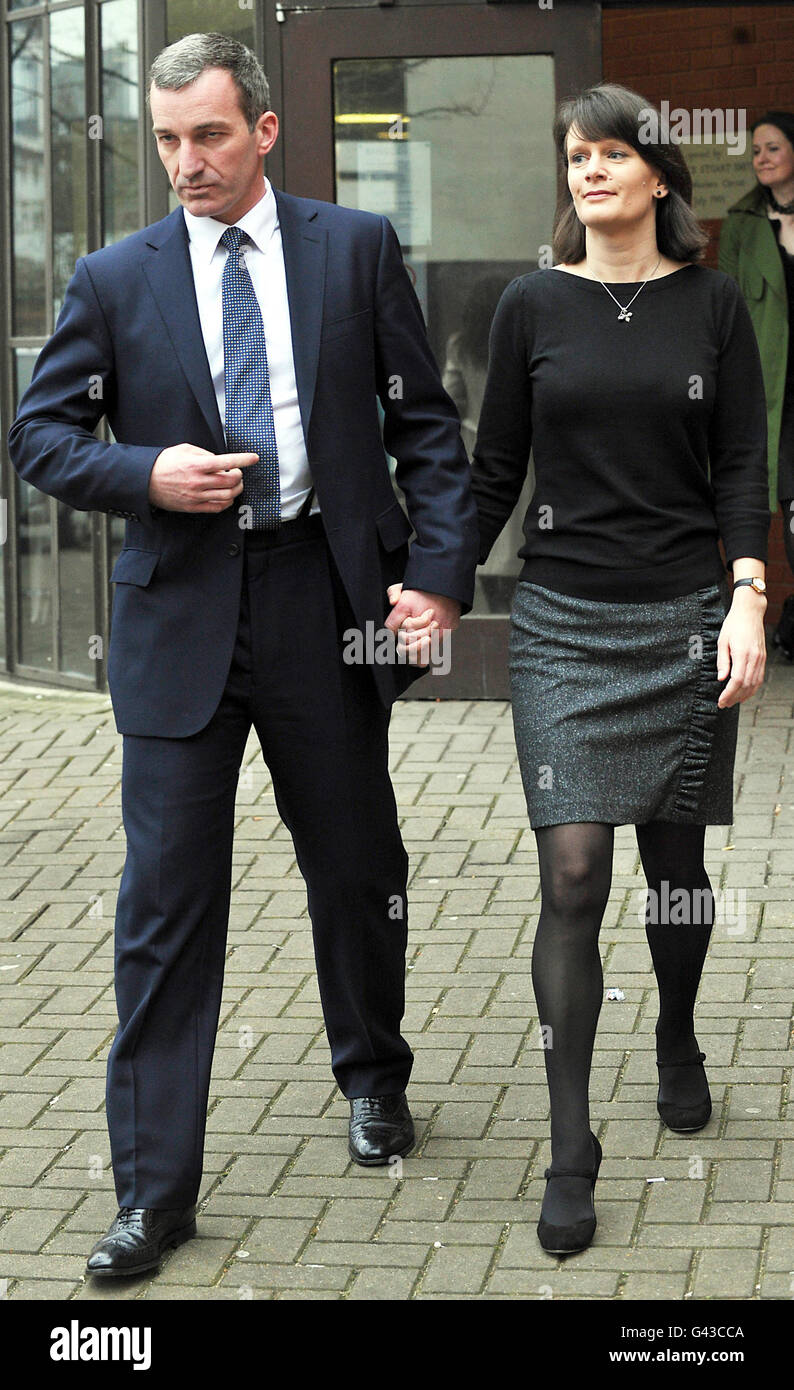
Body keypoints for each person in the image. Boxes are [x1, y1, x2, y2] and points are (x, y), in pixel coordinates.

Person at [8, 31, 478, 1278]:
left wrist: (433, 576)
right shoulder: (113, 276)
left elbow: (424, 425)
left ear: (264, 130)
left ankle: (373, 1075)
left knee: (358, 864)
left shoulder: (354, 248)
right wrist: (143, 472)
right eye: (165, 140)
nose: (185, 163)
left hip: (324, 599)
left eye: (207, 135)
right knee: (164, 907)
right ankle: (153, 1191)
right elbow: (42, 436)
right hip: (178, 615)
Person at [469, 83, 769, 1255]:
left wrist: (745, 597)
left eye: (608, 153)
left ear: (656, 174)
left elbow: (740, 463)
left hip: (684, 618)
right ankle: (568, 1140)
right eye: (572, 156)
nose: (586, 171)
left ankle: (680, 1035)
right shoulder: (530, 304)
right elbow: (495, 470)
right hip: (559, 624)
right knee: (573, 876)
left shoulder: (713, 306)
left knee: (676, 866)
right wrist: (429, 583)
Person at [719, 111, 794, 658]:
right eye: (756, 151)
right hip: (774, 386)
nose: (761, 158)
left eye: (772, 148)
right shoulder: (744, 221)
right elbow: (731, 307)